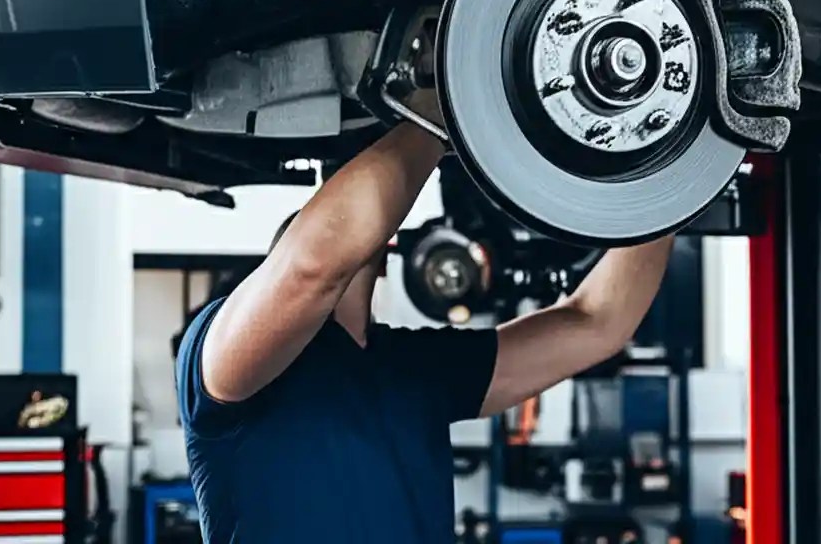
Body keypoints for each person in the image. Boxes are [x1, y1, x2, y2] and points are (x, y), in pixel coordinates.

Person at [174, 86, 674, 542]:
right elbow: (314, 263)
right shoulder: (220, 362)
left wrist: (668, 175)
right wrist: (444, 101)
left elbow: (598, 322)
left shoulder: (414, 368)